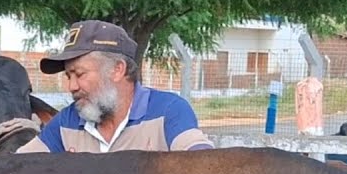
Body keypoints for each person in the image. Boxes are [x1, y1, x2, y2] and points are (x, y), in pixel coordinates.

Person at [17, 19, 212, 154]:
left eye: (79, 74)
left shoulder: (168, 111)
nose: (71, 86)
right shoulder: (68, 121)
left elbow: (202, 161)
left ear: (117, 70)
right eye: (68, 76)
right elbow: (20, 166)